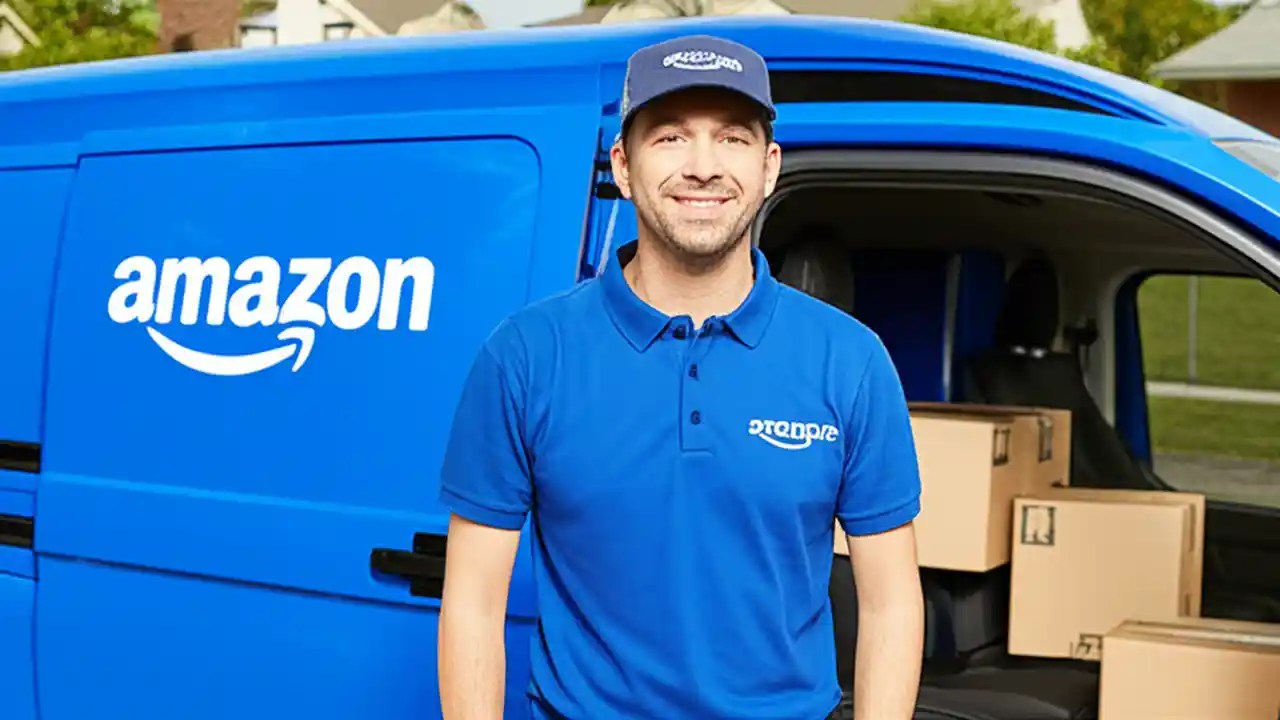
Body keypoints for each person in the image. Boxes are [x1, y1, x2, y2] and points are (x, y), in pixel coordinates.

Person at [436, 34, 924, 720]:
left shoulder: (851, 360)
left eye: (731, 138)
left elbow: (892, 602)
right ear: (623, 166)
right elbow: (473, 603)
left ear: (768, 166)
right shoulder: (524, 356)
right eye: (669, 137)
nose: (703, 167)